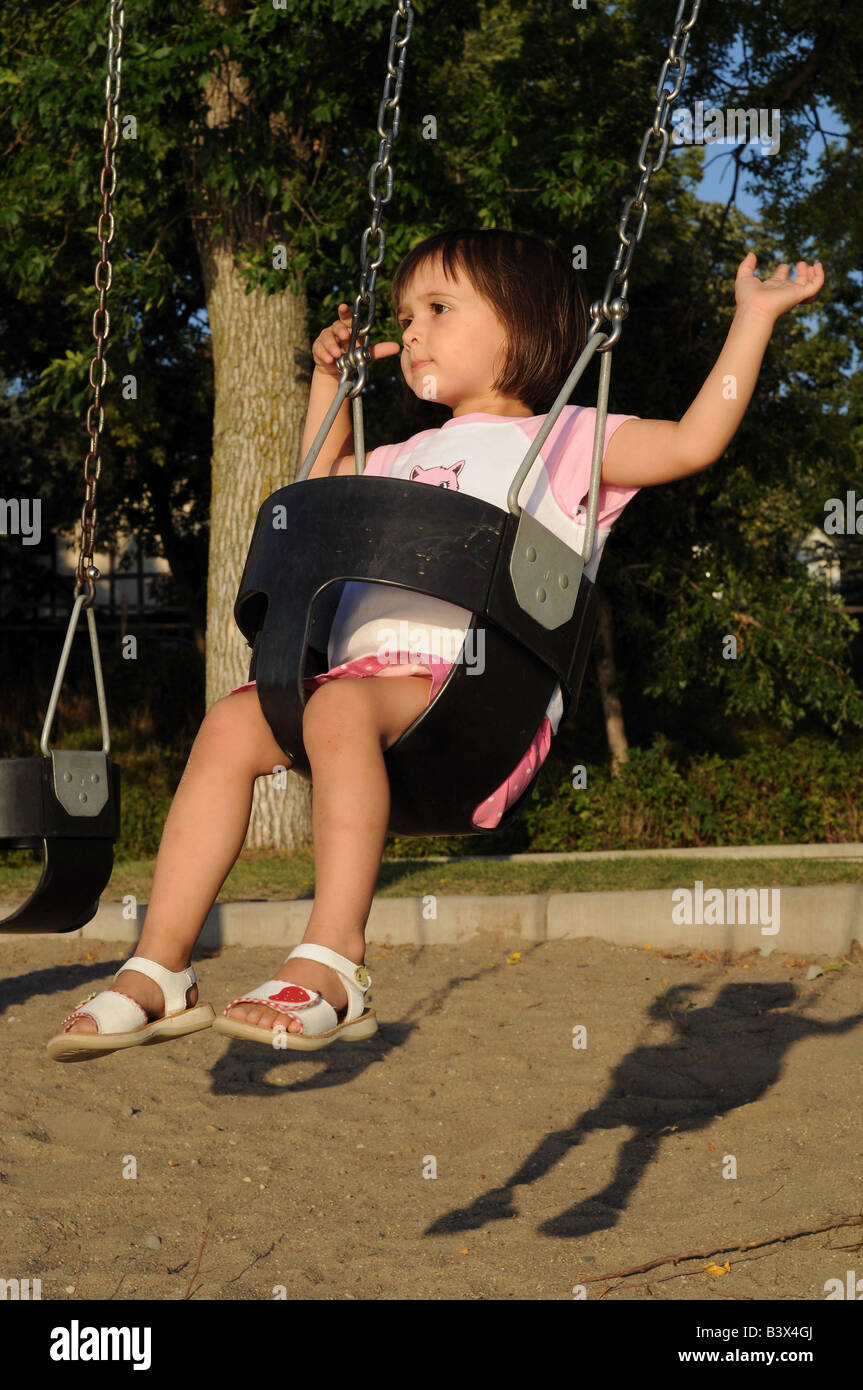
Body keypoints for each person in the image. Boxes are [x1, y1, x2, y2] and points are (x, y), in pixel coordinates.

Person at [47, 229, 823, 1062]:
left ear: (519, 329)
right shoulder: (398, 455)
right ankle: (160, 969)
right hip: (362, 688)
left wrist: (752, 318)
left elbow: (692, 442)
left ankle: (335, 961)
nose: (411, 331)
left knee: (338, 706)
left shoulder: (567, 441)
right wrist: (330, 384)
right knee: (232, 724)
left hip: (478, 701)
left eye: (439, 310)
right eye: (404, 315)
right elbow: (318, 496)